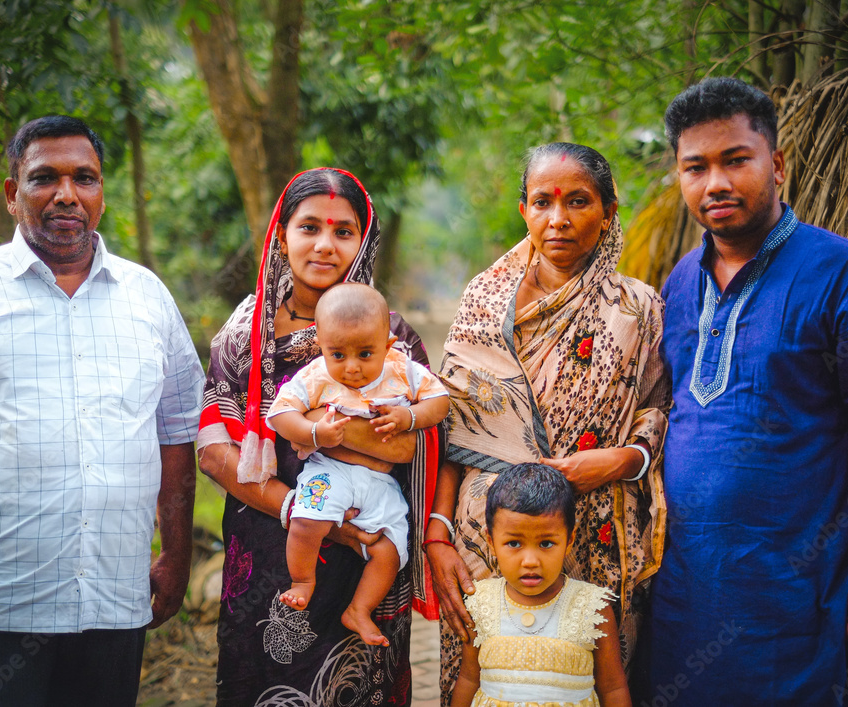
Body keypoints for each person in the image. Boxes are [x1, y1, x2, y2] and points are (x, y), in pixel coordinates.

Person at [641, 77, 848, 706]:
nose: (715, 182)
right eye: (696, 167)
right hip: (686, 599)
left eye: (736, 160)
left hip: (799, 601)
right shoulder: (679, 283)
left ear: (778, 164)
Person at [0, 115, 204, 707]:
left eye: (85, 178)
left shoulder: (148, 298)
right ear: (12, 195)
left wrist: (177, 556)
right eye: (44, 178)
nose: (67, 194)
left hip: (112, 598)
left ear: (101, 192)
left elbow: (177, 433)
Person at [426, 142, 670, 704]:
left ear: (609, 211)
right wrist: (438, 536)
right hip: (489, 535)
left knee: (588, 681)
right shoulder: (484, 304)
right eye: (542, 202)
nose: (558, 219)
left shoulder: (638, 308)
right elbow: (452, 432)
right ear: (524, 211)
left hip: (594, 524)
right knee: (482, 678)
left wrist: (621, 459)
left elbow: (659, 409)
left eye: (578, 201)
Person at [197, 168, 441, 706]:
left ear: (363, 241)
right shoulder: (243, 340)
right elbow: (216, 455)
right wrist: (307, 516)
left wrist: (312, 432)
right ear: (281, 237)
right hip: (271, 556)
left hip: (368, 557)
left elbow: (412, 446)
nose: (326, 245)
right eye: (309, 227)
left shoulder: (393, 338)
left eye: (344, 231)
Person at [268, 283, 449, 644]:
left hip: (381, 484)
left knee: (390, 549)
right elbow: (281, 414)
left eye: (366, 354)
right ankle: (302, 581)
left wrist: (408, 417)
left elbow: (440, 401)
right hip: (329, 472)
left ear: (388, 345)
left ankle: (359, 609)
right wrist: (316, 432)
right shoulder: (316, 375)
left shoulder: (403, 369)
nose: (351, 367)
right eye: (338, 354)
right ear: (321, 345)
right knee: (306, 520)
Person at [450, 463, 631, 707]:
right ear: (491, 541)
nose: (530, 562)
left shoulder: (592, 608)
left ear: (569, 540)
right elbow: (469, 679)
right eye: (514, 543)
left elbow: (613, 688)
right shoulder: (480, 604)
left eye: (546, 544)